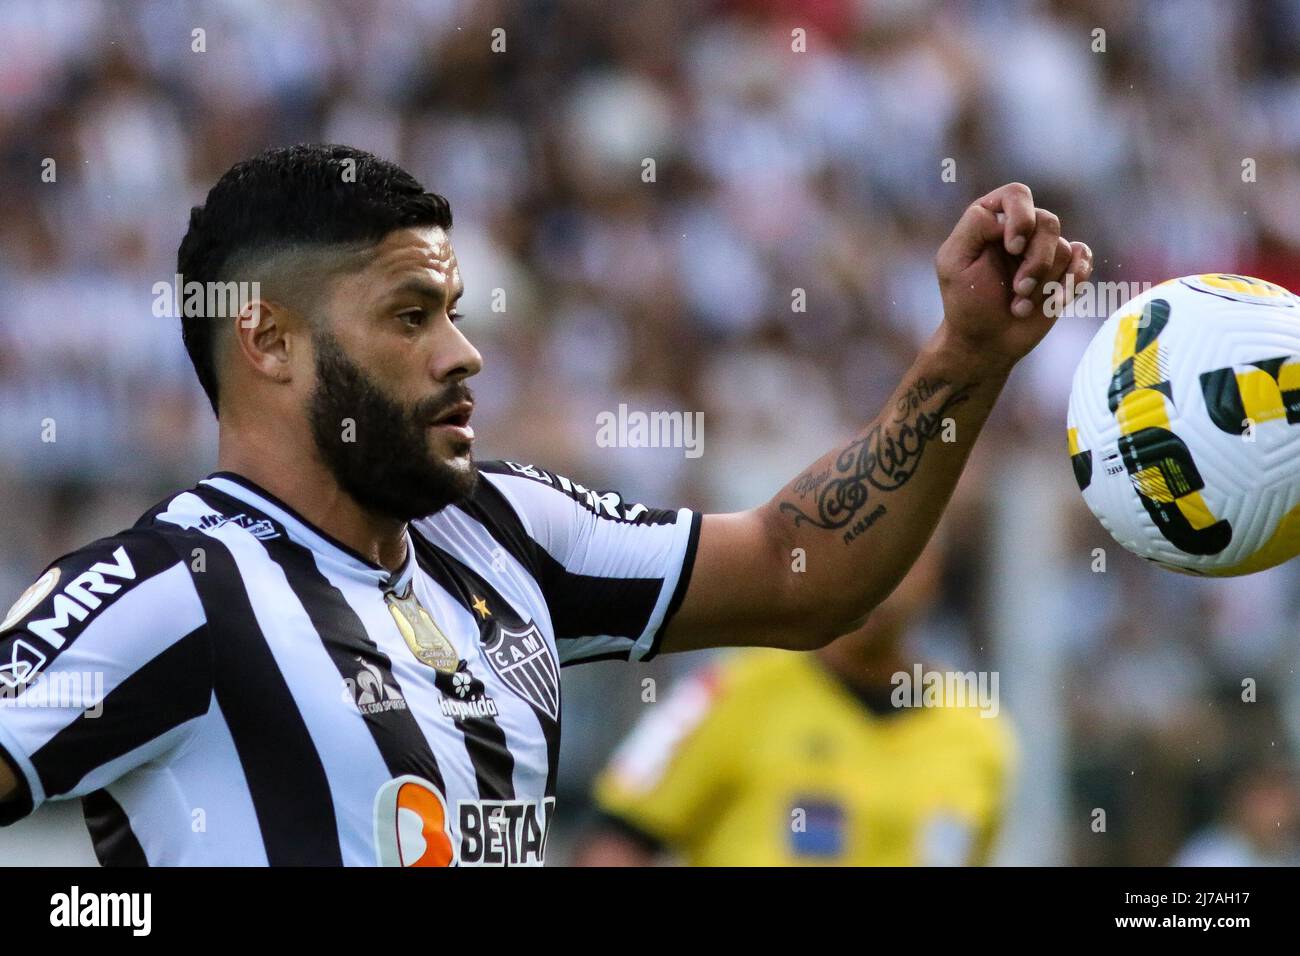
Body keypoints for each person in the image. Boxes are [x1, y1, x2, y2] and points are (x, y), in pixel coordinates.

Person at [0, 144, 1090, 865]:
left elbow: (806, 570)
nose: (463, 352)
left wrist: (968, 352)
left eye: (455, 311)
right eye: (411, 314)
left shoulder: (502, 530)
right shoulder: (168, 591)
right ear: (272, 341)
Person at [576, 532, 1017, 866]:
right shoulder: (730, 691)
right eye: (862, 549)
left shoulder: (980, 737)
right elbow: (619, 837)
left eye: (904, 551)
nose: (882, 573)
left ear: (937, 572)